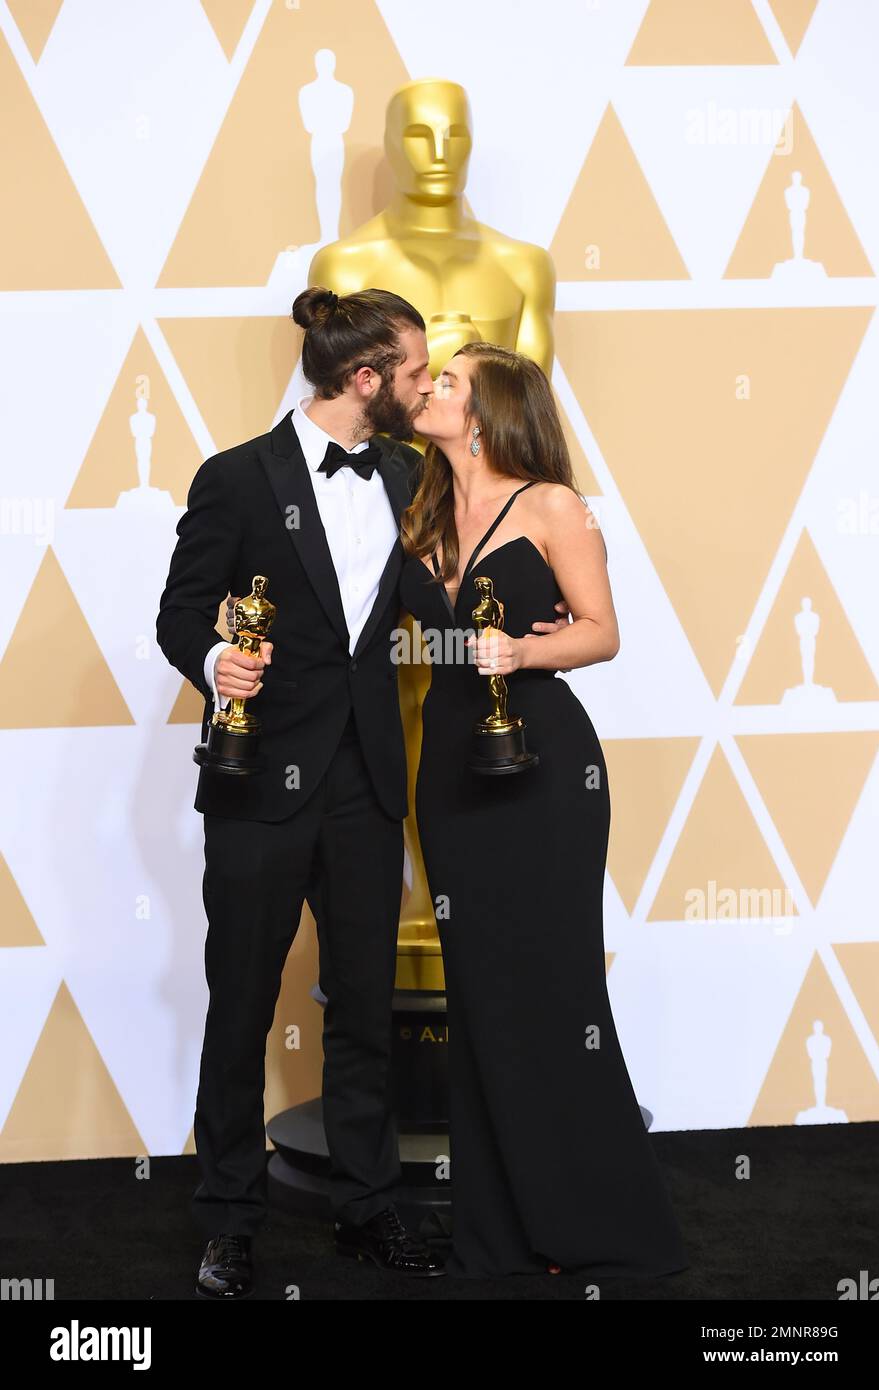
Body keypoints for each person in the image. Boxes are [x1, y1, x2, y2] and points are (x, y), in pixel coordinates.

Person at [156, 287, 570, 1297]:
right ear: (366, 376)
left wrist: (535, 614)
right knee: (241, 1004)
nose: (427, 387)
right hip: (259, 782)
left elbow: (443, 596)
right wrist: (215, 661)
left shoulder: (405, 473)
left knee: (361, 1006)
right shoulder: (236, 478)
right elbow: (179, 613)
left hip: (367, 781)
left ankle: (368, 1205)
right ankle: (229, 1220)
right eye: (417, 370)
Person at [398, 342, 690, 1279]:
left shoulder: (554, 505)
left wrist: (522, 654)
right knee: (480, 991)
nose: (430, 387)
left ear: (486, 414)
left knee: (555, 989)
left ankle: (592, 1224)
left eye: (448, 381)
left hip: (543, 771)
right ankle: (501, 1231)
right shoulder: (421, 509)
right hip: (450, 770)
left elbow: (602, 632)